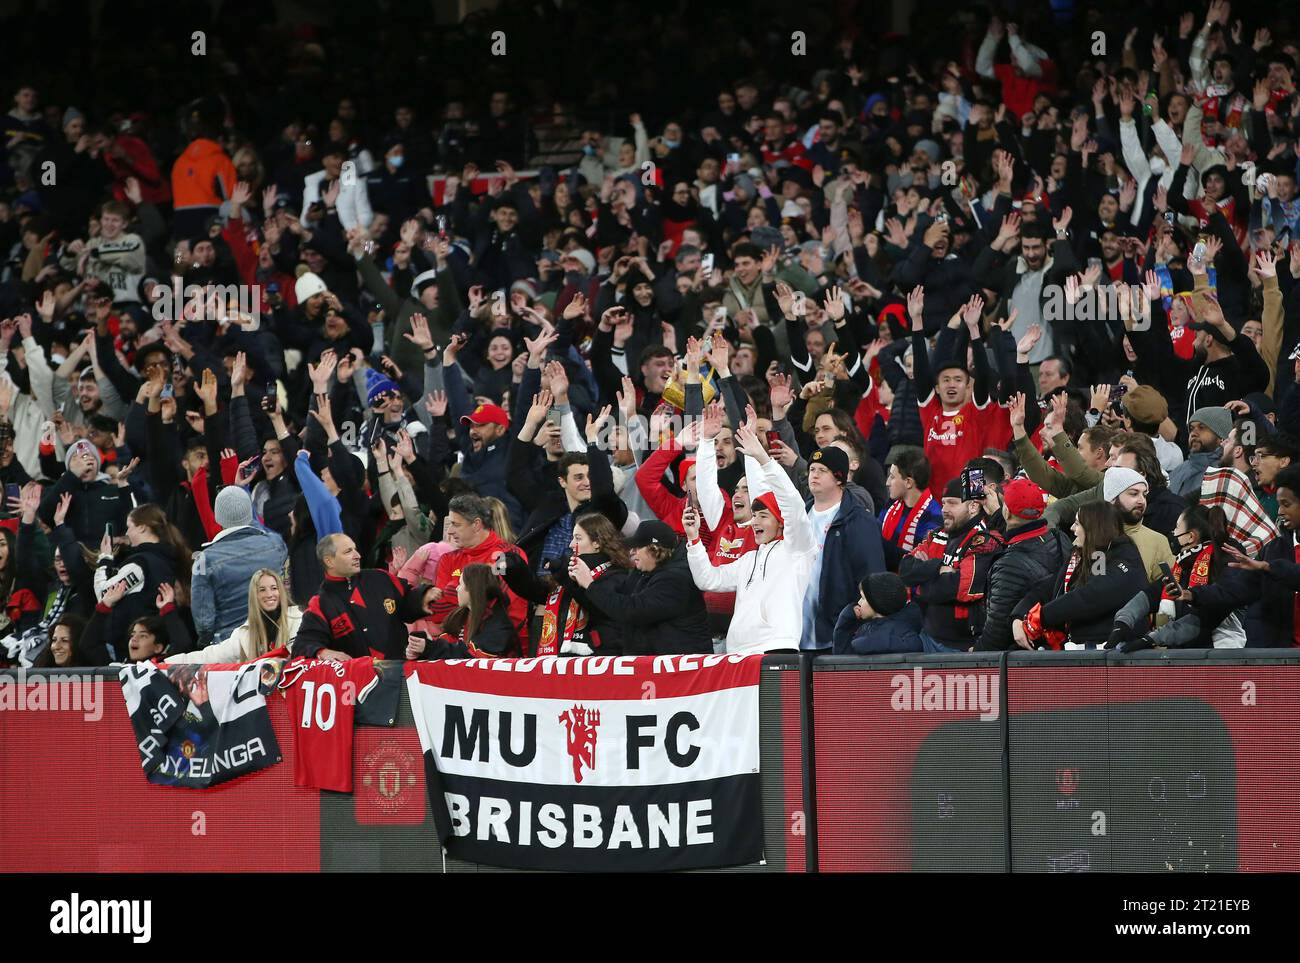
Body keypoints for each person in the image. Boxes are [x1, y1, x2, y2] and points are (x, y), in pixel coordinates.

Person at [684, 420, 814, 653]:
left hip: (775, 648)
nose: (755, 522)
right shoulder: (747, 560)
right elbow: (708, 580)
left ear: (780, 520)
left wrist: (763, 460)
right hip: (736, 653)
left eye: (763, 516)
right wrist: (693, 541)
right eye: (754, 516)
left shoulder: (798, 549)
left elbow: (792, 502)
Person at [1012, 500, 1148, 650]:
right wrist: (1019, 615)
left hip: (1112, 654)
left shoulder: (1123, 557)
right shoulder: (1095, 555)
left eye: (1077, 523)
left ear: (1093, 528)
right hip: (1081, 648)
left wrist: (1041, 618)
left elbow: (1091, 595)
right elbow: (1049, 587)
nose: (1072, 528)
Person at [1110, 505, 1249, 651]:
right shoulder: (1182, 566)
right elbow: (1151, 594)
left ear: (1190, 536)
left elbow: (1204, 619)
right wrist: (1124, 621)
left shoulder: (1228, 564)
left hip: (1220, 655)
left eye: (1177, 527)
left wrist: (1153, 638)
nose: (1173, 533)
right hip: (1188, 654)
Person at [500, 512, 632, 656]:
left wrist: (568, 578)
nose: (571, 544)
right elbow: (536, 592)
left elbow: (601, 607)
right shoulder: (567, 573)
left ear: (597, 543)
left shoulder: (616, 576)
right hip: (560, 657)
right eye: (572, 538)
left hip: (598, 658)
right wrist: (514, 570)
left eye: (578, 538)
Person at [292, 533, 438, 661]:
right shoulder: (320, 603)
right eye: (348, 551)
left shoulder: (381, 578)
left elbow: (408, 601)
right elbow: (302, 644)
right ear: (329, 561)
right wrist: (322, 652)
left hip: (399, 674)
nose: (357, 555)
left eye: (355, 549)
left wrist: (423, 597)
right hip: (357, 685)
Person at [901, 474, 1004, 652]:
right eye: (943, 503)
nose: (944, 509)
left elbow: (960, 589)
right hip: (927, 636)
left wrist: (921, 586)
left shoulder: (985, 541)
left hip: (962, 646)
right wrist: (938, 567)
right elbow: (905, 569)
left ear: (973, 507)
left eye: (952, 503)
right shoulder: (936, 535)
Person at [576, 519, 711, 655]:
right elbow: (617, 597)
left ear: (655, 550)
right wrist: (579, 581)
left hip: (683, 669)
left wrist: (589, 584)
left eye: (637, 548)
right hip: (657, 665)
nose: (631, 552)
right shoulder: (646, 569)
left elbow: (632, 610)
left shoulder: (677, 578)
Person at [801, 444, 887, 651]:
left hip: (837, 633)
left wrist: (856, 622)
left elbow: (871, 575)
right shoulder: (800, 515)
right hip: (797, 631)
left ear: (839, 478)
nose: (815, 475)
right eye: (812, 469)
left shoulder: (858, 519)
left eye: (823, 470)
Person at [426, 493, 531, 652]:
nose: (450, 531)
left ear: (476, 524)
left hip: (502, 652)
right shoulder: (448, 560)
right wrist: (474, 588)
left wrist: (454, 589)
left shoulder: (506, 556)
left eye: (456, 524)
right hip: (458, 651)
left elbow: (506, 606)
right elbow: (437, 612)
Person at [977, 478, 1072, 651]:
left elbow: (996, 634)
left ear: (1006, 512)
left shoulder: (1008, 566)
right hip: (1060, 646)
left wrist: (974, 655)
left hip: (1023, 661)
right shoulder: (1060, 539)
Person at [189, 486, 288, 646]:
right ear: (249, 513)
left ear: (217, 517)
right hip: (276, 636)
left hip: (231, 645)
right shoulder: (275, 543)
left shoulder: (204, 560)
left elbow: (204, 622)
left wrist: (206, 646)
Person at [167, 569, 302, 664]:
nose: (269, 594)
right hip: (264, 698)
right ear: (254, 596)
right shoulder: (245, 632)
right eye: (262, 590)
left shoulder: (299, 620)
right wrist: (167, 663)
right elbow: (211, 655)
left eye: (274, 588)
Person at [407, 562, 519, 659]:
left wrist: (430, 648)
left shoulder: (499, 625)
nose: (457, 588)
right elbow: (449, 644)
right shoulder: (460, 615)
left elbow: (472, 657)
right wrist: (420, 649)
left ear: (472, 589)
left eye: (460, 584)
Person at [878, 448, 942, 570]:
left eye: (892, 477)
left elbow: (917, 563)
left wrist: (877, 540)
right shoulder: (891, 505)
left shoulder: (934, 516)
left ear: (908, 482)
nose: (887, 483)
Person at [831, 572, 923, 654]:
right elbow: (841, 657)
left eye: (863, 598)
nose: (859, 602)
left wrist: (870, 643)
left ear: (877, 603)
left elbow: (915, 644)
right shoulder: (865, 626)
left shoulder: (902, 627)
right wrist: (846, 620)